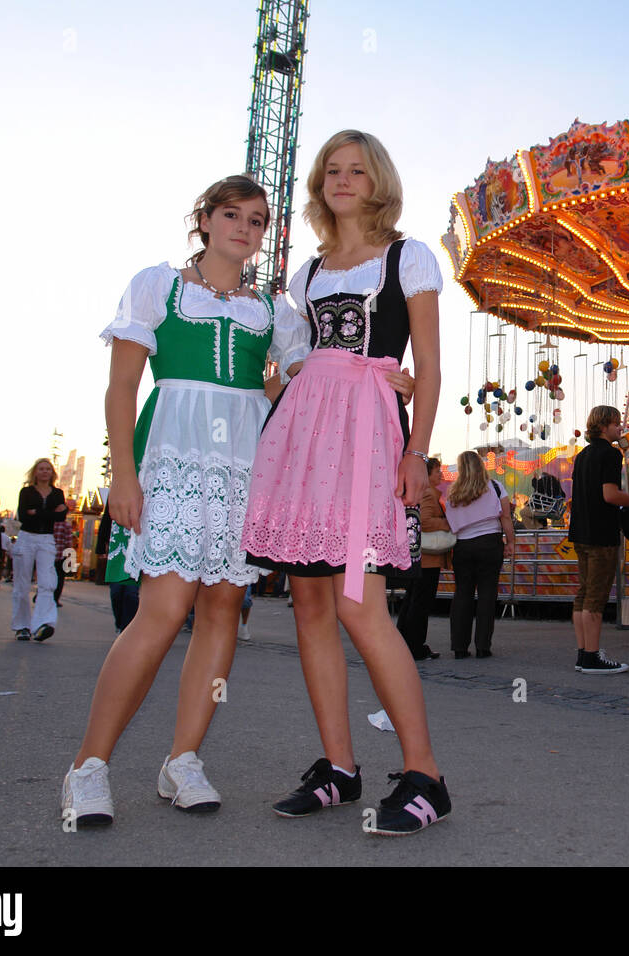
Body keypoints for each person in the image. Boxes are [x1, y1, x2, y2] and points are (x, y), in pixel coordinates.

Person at [61, 174, 312, 827]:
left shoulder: (275, 312)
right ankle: (89, 766)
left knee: (224, 606)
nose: (244, 228)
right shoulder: (157, 285)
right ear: (204, 219)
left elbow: (299, 382)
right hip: (173, 452)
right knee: (164, 608)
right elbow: (121, 388)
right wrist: (123, 475)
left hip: (243, 464)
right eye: (232, 214)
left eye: (257, 221)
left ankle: (183, 759)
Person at [239, 131, 451, 835]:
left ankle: (425, 774)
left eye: (356, 169)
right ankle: (338, 765)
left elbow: (430, 365)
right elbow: (302, 359)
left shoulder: (405, 257)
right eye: (332, 170)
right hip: (307, 437)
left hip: (367, 435)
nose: (342, 179)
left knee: (361, 606)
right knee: (308, 604)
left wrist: (417, 449)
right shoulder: (308, 272)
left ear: (378, 180)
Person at [569, 406, 629, 674]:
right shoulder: (610, 455)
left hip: (580, 532)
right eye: (616, 424)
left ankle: (584, 653)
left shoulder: (582, 456)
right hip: (601, 534)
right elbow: (610, 495)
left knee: (583, 595)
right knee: (596, 597)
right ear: (604, 426)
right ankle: (593, 656)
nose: (620, 428)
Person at [444, 451, 514, 659]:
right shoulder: (495, 487)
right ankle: (483, 646)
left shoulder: (453, 492)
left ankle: (459, 646)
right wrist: (511, 542)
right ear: (481, 465)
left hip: (463, 545)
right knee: (487, 594)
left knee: (462, 594)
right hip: (490, 542)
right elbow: (507, 517)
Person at [397, 457, 449, 661]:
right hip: (428, 557)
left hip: (420, 556)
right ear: (428, 474)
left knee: (413, 600)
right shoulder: (428, 494)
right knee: (420, 603)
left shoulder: (425, 493)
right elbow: (424, 521)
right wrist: (447, 523)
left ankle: (405, 641)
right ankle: (415, 645)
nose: (441, 475)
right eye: (437, 471)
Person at [11, 458, 67, 641]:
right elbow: (24, 517)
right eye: (41, 469)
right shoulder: (26, 492)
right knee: (22, 583)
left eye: (48, 469)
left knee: (47, 582)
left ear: (52, 473)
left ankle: (43, 624)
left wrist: (37, 512)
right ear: (35, 472)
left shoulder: (58, 493)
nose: (44, 472)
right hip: (26, 538)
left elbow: (61, 517)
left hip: (46, 540)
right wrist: (51, 512)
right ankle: (22, 626)